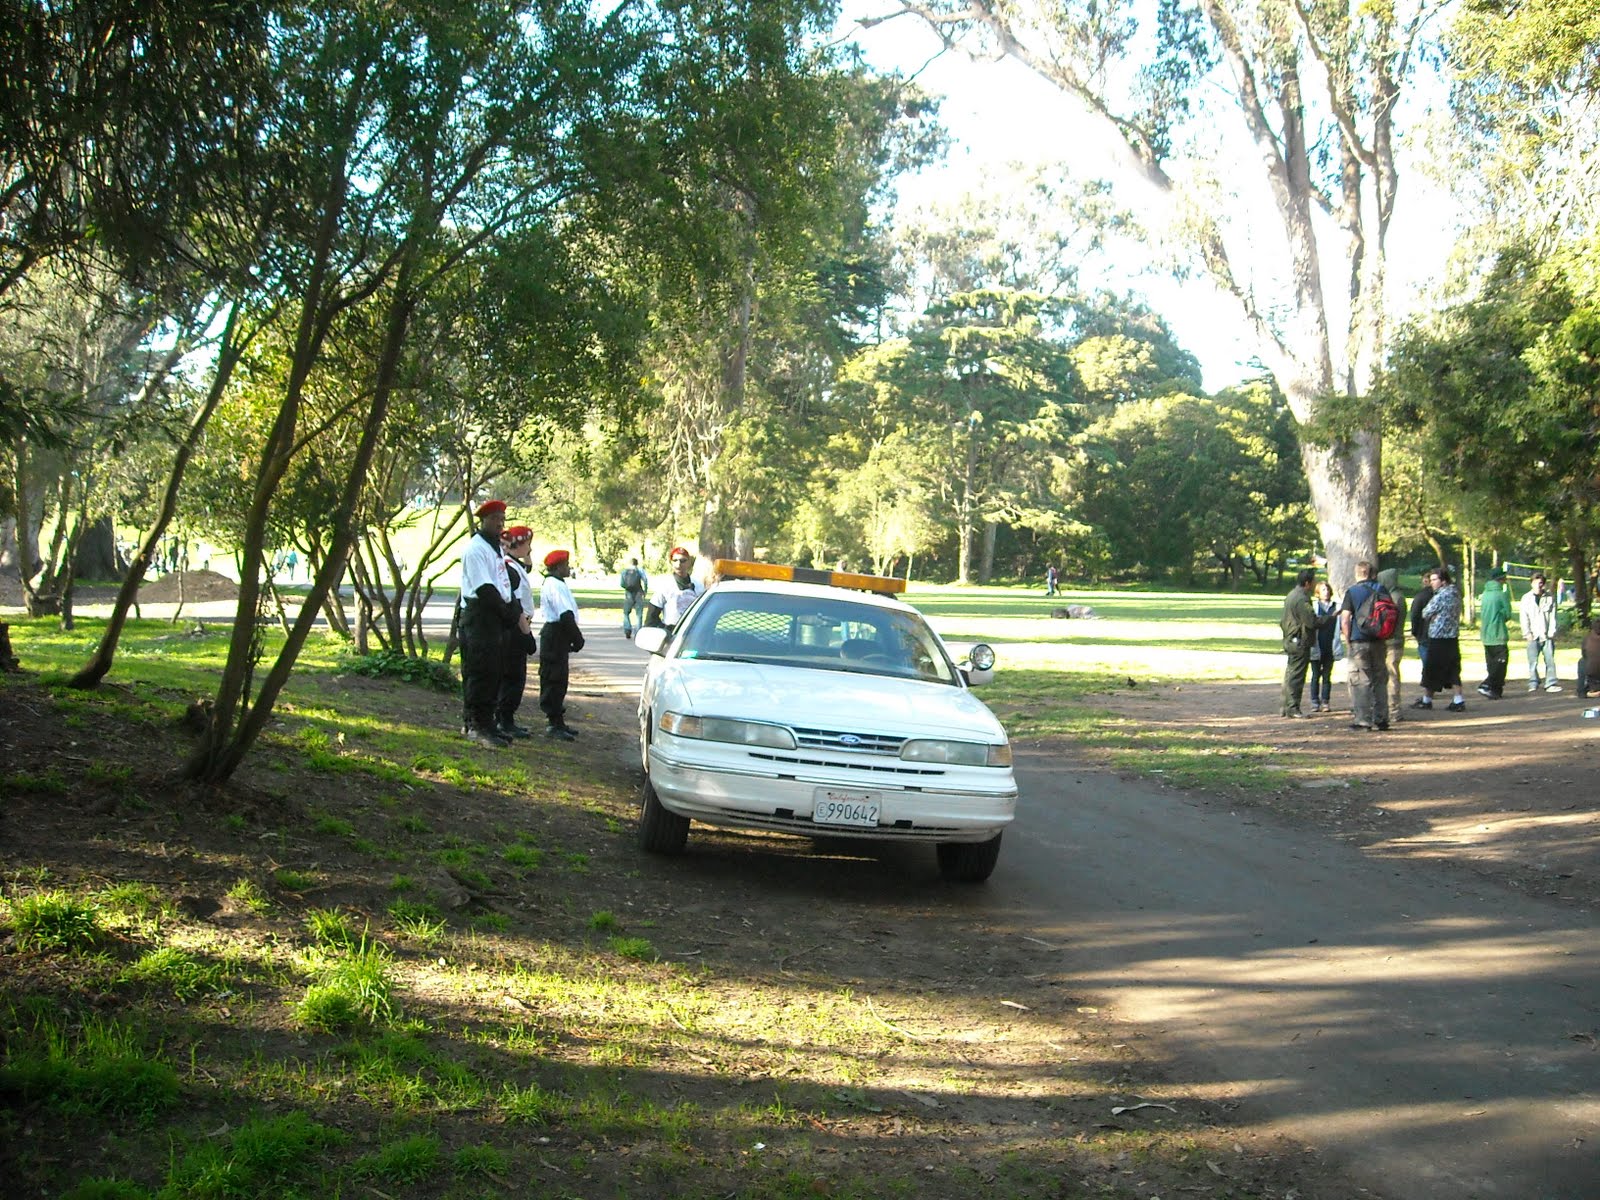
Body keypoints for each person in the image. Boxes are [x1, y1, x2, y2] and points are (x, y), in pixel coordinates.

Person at [458, 499, 523, 748]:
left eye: (502, 519)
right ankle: (475, 724)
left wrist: (511, 608)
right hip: (481, 615)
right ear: (483, 520)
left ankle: (488, 723)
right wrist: (505, 612)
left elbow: (504, 582)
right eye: (495, 519)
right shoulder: (476, 549)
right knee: (480, 671)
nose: (499, 523)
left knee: (494, 672)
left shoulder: (494, 548)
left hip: (495, 616)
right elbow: (484, 588)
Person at [495, 526, 539, 739]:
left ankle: (505, 718)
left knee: (514, 675)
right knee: (514, 676)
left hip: (518, 624)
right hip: (516, 627)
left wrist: (526, 550)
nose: (530, 549)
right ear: (517, 545)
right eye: (527, 544)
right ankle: (505, 719)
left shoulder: (514, 564)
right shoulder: (510, 567)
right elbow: (517, 604)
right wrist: (526, 633)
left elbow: (528, 566)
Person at [537, 548, 584, 741]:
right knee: (553, 678)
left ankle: (559, 721)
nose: (568, 568)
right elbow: (565, 614)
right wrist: (577, 637)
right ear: (558, 567)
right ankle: (553, 722)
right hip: (555, 634)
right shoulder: (554, 585)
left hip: (558, 635)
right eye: (566, 565)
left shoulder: (558, 583)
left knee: (560, 679)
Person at [1339, 560, 1391, 730]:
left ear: (1357, 573)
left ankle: (1363, 720)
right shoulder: (1382, 589)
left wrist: (1348, 639)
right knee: (1380, 680)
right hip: (1379, 640)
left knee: (1361, 681)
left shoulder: (1352, 592)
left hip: (1359, 641)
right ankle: (1381, 718)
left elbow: (1345, 619)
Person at [1416, 566, 1465, 712]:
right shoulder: (1456, 594)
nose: (1431, 583)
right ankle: (1458, 699)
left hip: (1438, 637)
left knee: (1431, 669)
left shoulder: (1440, 596)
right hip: (1452, 636)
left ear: (1443, 581)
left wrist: (1434, 616)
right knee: (1453, 669)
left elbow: (1425, 613)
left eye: (1434, 580)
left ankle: (1427, 700)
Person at [1279, 568, 1317, 718]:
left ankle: (1285, 706)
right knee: (1296, 676)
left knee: (1290, 674)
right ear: (1307, 583)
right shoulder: (1301, 598)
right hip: (1299, 640)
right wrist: (1329, 619)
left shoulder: (1292, 595)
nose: (1315, 584)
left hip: (1291, 638)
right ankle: (1293, 708)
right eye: (1313, 581)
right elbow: (1311, 621)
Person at [644, 545, 705, 633]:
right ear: (671, 562)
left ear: (689, 562)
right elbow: (651, 619)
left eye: (683, 561)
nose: (678, 564)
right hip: (672, 633)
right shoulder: (664, 585)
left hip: (694, 633)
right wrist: (666, 630)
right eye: (675, 560)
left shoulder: (699, 586)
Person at [1519, 571, 1562, 692]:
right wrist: (1527, 633)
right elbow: (1523, 617)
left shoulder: (1550, 598)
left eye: (1541, 583)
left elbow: (1553, 616)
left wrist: (1552, 631)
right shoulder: (1526, 599)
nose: (1539, 586)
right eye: (1536, 583)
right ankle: (1533, 682)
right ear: (1531, 583)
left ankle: (1550, 683)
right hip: (1533, 634)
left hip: (1546, 634)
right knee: (1532, 661)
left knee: (1550, 660)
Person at [1476, 566, 1512, 699]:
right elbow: (1507, 614)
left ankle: (1495, 691)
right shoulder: (1501, 594)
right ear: (1500, 579)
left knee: (1491, 663)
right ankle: (1487, 684)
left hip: (1486, 634)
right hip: (1498, 633)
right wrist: (1501, 614)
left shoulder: (1485, 594)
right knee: (1500, 664)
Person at [1376, 568, 1406, 719]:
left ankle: (1393, 709)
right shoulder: (1399, 596)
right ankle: (1392, 708)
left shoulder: (1391, 598)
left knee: (1391, 676)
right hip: (1397, 640)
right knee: (1392, 674)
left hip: (1389, 641)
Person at [1309, 580, 1339, 713]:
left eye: (1327, 590)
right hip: (1316, 645)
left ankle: (1325, 701)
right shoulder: (1314, 607)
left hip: (1330, 645)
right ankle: (1314, 701)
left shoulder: (1336, 607)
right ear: (1318, 593)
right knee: (1315, 675)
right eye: (1323, 590)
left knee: (1327, 676)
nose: (1326, 592)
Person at [1408, 569, 1435, 708]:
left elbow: (1414, 615)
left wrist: (1415, 632)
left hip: (1424, 634)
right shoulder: (1439, 595)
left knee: (1427, 664)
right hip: (1437, 635)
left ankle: (1428, 692)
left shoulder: (1420, 597)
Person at [619, 557, 648, 639]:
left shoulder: (624, 571)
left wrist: (627, 587)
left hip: (628, 593)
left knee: (626, 613)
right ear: (637, 563)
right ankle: (638, 632)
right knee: (639, 614)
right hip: (638, 593)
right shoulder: (640, 570)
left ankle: (627, 629)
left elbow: (621, 584)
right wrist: (645, 591)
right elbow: (645, 580)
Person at [1579, 618, 1600, 699]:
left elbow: (1584, 654)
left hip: (1592, 673)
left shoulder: (1587, 638)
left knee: (1581, 661)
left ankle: (1581, 691)